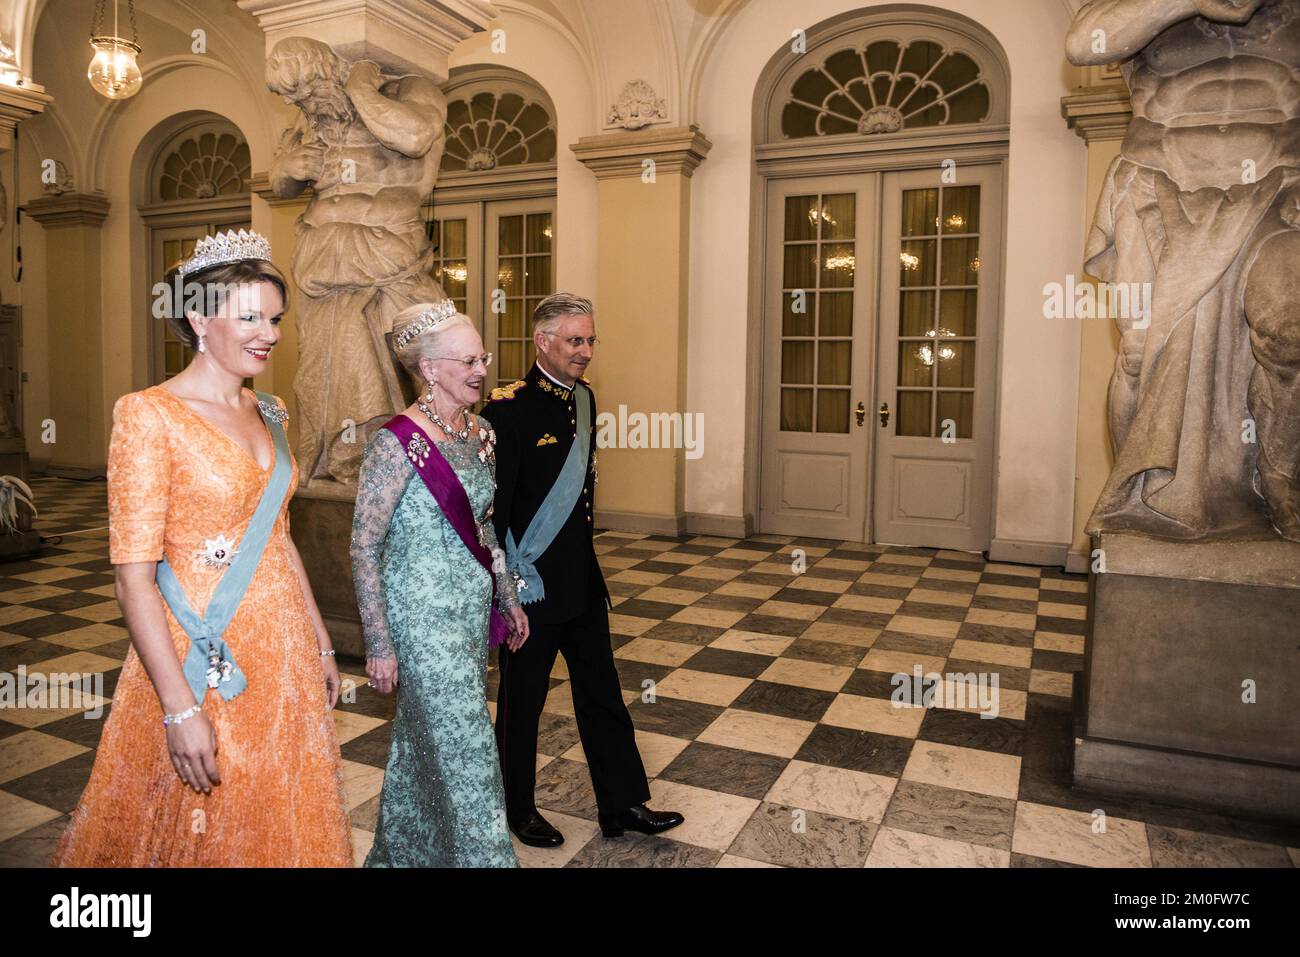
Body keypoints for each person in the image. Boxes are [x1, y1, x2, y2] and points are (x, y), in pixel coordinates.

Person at [52, 229, 353, 867]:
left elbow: (280, 538)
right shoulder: (148, 414)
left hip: (283, 649)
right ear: (197, 317)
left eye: (273, 318)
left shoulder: (271, 410)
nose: (268, 332)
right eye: (248, 316)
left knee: (278, 810)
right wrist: (177, 708)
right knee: (192, 827)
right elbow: (132, 579)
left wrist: (321, 640)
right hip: (197, 653)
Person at [481, 292, 683, 847]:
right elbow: (492, 510)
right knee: (524, 704)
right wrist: (507, 592)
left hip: (582, 581)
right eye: (576, 341)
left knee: (602, 694)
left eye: (591, 340)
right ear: (543, 341)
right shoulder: (507, 409)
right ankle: (516, 807)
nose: (587, 351)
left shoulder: (586, 399)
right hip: (533, 587)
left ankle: (622, 804)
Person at [350, 300, 529, 867]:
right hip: (420, 619)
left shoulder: (482, 434)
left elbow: (484, 528)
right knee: (470, 748)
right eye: (467, 360)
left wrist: (508, 598)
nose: (481, 369)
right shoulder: (395, 442)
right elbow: (363, 546)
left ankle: (402, 856)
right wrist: (378, 644)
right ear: (428, 368)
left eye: (483, 357)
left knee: (422, 743)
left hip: (471, 610)